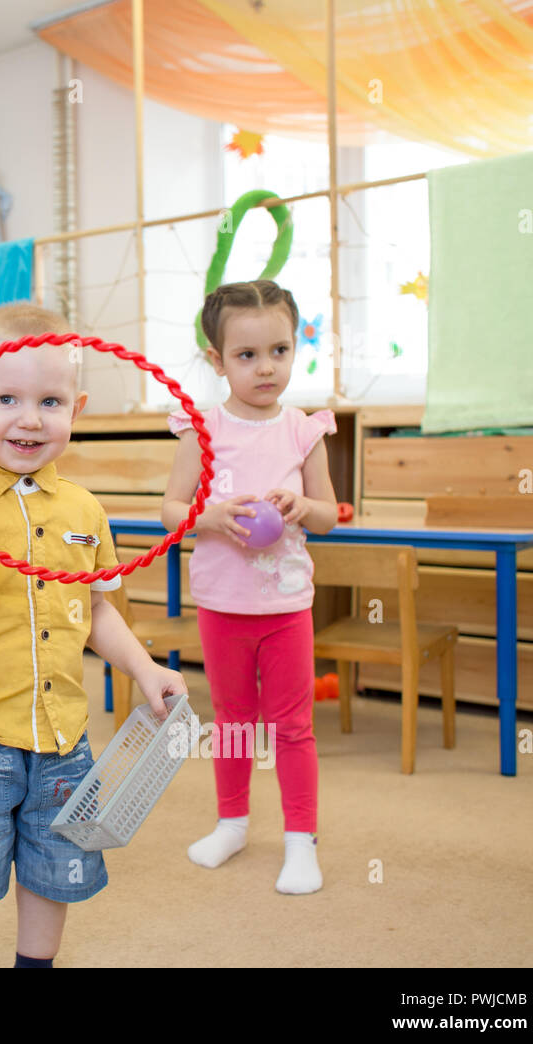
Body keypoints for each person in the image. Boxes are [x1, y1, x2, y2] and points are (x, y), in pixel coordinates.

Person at [0, 303, 187, 967]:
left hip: (63, 735)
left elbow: (97, 611)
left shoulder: (85, 509)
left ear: (76, 407)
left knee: (53, 863)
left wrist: (144, 668)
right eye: (7, 397)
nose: (30, 418)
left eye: (50, 400)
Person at [161, 279, 338, 895]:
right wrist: (206, 517)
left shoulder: (302, 430)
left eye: (280, 351)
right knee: (233, 720)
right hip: (222, 604)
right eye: (247, 355)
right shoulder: (201, 430)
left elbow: (330, 514)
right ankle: (232, 822)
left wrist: (300, 503)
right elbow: (171, 508)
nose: (267, 367)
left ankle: (300, 841)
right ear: (217, 360)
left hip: (286, 605)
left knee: (292, 726)